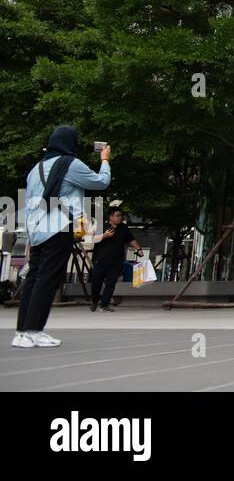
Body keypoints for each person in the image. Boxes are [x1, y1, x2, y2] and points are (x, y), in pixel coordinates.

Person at [14, 126, 111, 349]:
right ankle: (35, 331)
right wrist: (104, 160)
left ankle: (22, 333)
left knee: (34, 279)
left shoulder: (35, 168)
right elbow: (101, 182)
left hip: (37, 231)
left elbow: (28, 206)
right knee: (47, 280)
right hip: (59, 229)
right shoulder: (70, 164)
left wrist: (30, 237)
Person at [89, 207, 142, 313]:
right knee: (96, 282)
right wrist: (105, 235)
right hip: (101, 260)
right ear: (110, 217)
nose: (119, 218)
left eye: (120, 216)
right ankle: (94, 300)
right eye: (117, 216)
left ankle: (104, 305)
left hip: (116, 261)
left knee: (111, 283)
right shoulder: (102, 226)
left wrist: (139, 249)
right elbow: (91, 239)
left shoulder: (123, 228)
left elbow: (130, 239)